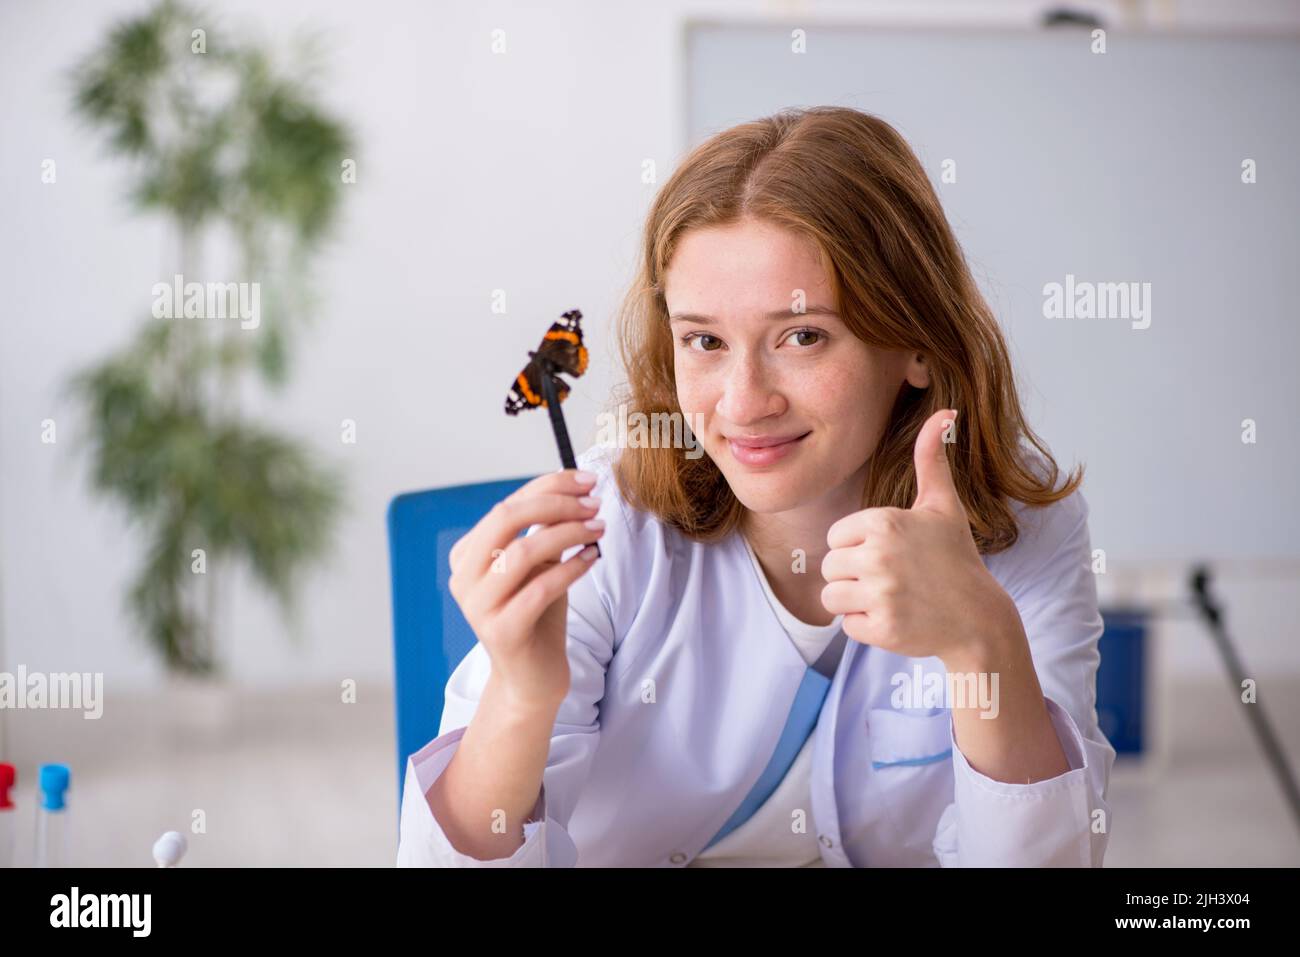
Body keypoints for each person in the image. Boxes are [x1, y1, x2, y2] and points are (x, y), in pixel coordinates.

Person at [396, 106, 1115, 867]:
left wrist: (983, 644)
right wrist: (520, 694)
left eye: (802, 336)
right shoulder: (608, 531)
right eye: (704, 341)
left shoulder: (1023, 526)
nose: (742, 402)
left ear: (915, 341)